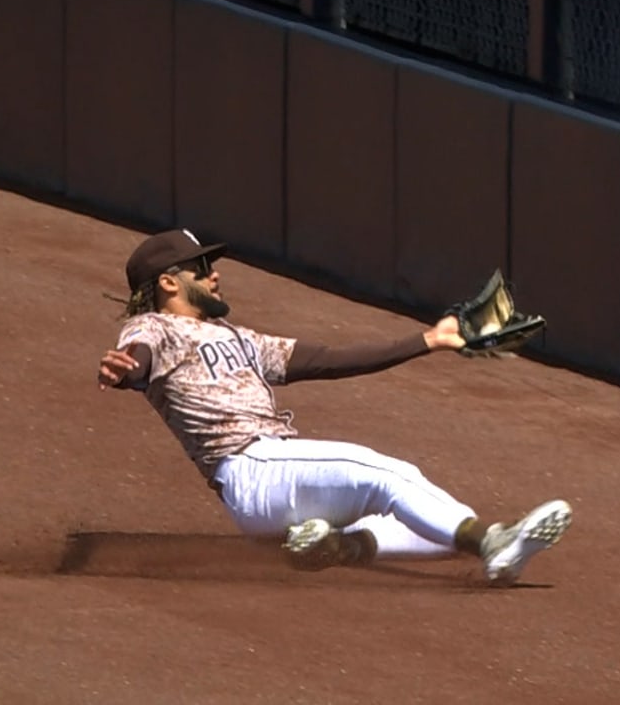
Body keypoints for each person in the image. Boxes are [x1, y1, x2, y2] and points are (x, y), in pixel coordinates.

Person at [95, 229, 573, 585]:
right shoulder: (155, 329)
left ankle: (338, 545)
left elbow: (328, 361)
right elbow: (137, 357)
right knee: (389, 474)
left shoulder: (239, 338)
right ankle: (495, 540)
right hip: (250, 466)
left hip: (269, 479)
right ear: (168, 284)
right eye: (199, 269)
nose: (213, 274)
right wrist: (125, 372)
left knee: (432, 522)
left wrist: (430, 339)